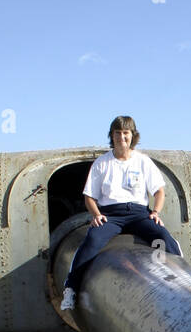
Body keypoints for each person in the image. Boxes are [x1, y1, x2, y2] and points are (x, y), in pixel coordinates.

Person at [60, 115, 183, 310]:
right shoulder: (102, 163)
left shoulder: (142, 161)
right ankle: (71, 289)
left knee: (161, 236)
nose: (121, 138)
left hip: (138, 212)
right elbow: (89, 196)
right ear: (112, 136)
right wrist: (96, 215)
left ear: (132, 136)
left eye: (126, 133)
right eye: (117, 133)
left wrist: (156, 212)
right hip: (111, 215)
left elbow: (159, 191)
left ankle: (183, 279)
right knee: (92, 241)